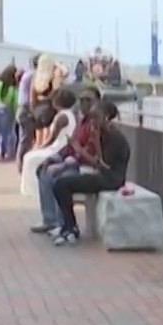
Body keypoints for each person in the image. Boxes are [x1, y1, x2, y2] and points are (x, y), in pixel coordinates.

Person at [49, 99, 130, 247]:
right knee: (60, 183)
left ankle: (71, 228)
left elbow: (103, 165)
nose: (92, 121)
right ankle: (68, 226)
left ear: (106, 117)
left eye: (96, 117)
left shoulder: (114, 137)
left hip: (112, 180)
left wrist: (79, 148)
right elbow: (99, 161)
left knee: (62, 184)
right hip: (104, 176)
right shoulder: (103, 133)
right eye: (91, 117)